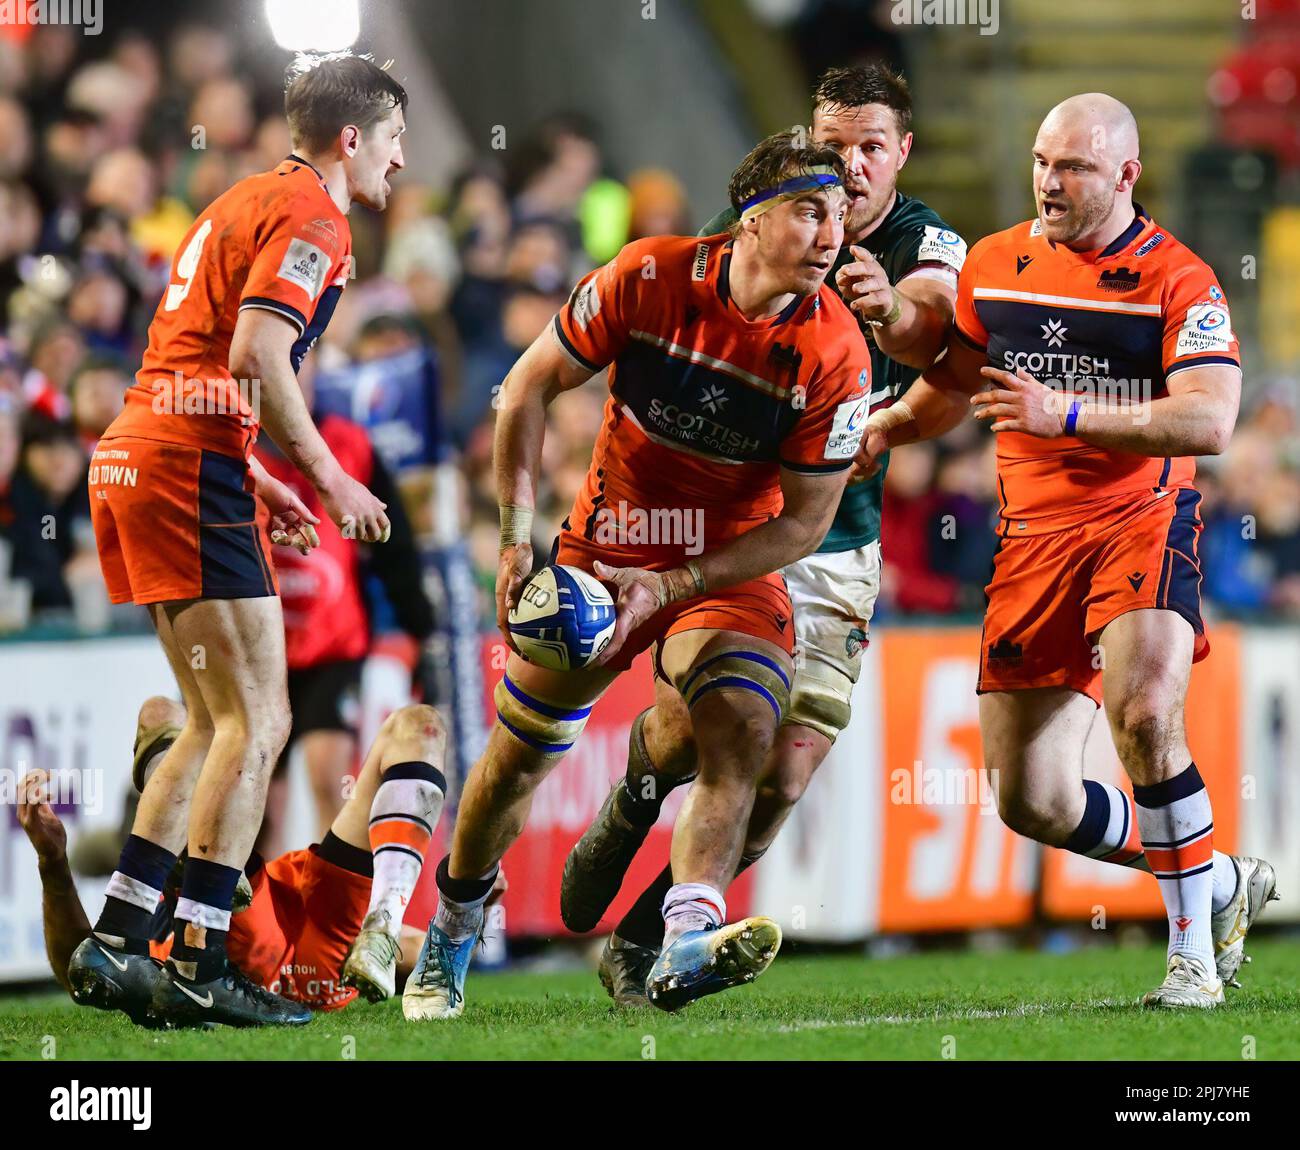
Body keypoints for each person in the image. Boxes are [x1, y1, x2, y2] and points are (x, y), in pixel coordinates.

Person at [403, 131, 871, 1020]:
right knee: (512, 765)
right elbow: (526, 389)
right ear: (752, 218)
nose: (829, 237)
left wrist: (677, 582)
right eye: (810, 212)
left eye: (841, 217)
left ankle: (684, 933)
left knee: (743, 723)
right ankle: (453, 932)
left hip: (723, 562)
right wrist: (513, 540)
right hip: (604, 546)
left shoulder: (835, 351)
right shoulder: (648, 277)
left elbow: (804, 523)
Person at [559, 64, 966, 1006]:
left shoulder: (919, 239)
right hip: (741, 526)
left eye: (872, 147)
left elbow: (933, 329)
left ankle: (652, 937)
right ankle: (633, 800)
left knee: (784, 774)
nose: (852, 168)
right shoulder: (765, 229)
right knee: (711, 731)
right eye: (834, 147)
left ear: (902, 152)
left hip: (838, 540)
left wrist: (889, 312)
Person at [857, 92, 1276, 1007]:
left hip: (1139, 519)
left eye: (1075, 166)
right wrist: (891, 426)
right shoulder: (997, 263)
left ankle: (1190, 960)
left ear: (1126, 174)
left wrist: (1069, 413)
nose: (1051, 180)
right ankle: (1213, 880)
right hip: (1030, 541)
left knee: (1143, 712)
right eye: (1044, 161)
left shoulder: (1182, 279)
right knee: (1030, 800)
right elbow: (956, 381)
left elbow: (1208, 418)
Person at [68, 53, 403, 1028]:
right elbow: (257, 352)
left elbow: (197, 358)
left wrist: (256, 472)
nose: (400, 158)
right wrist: (329, 475)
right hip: (182, 465)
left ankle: (123, 939)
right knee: (258, 722)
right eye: (391, 138)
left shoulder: (242, 198)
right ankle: (203, 956)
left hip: (140, 449)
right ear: (352, 139)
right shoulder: (316, 220)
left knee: (215, 721)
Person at [19, 698, 448, 1023]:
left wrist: (54, 865)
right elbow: (86, 975)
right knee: (419, 727)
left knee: (420, 724)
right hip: (292, 944)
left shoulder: (149, 927)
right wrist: (52, 861)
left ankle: (382, 920)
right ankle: (208, 861)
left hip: (301, 926)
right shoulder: (157, 932)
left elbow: (83, 971)